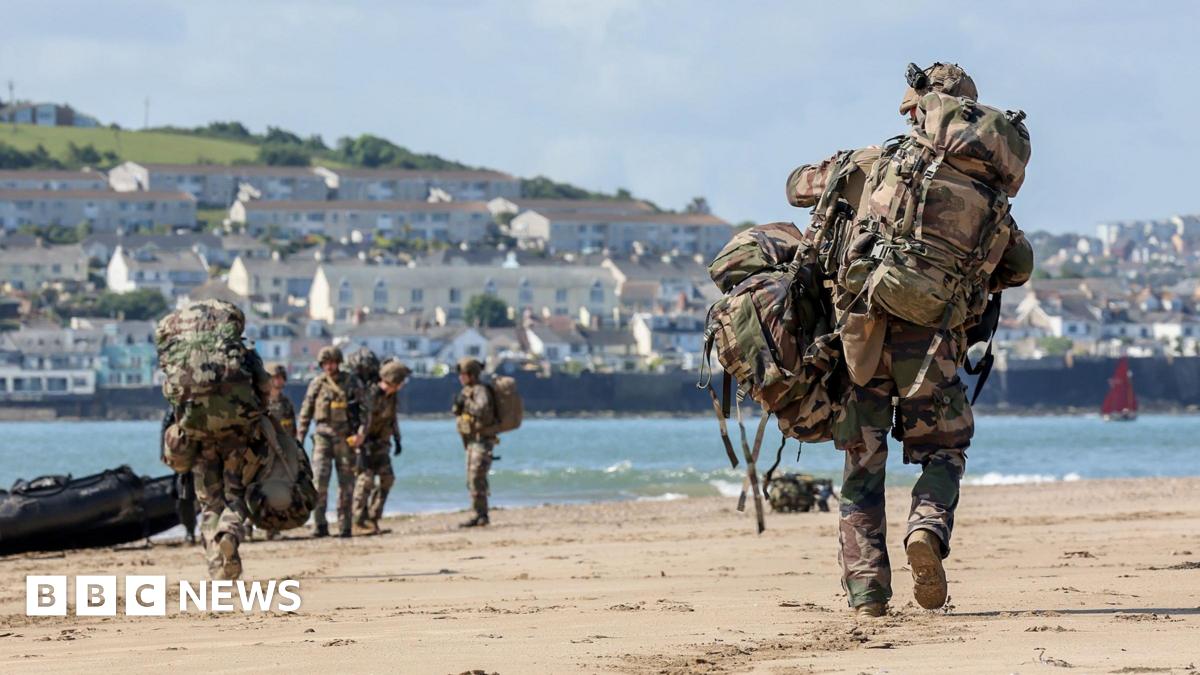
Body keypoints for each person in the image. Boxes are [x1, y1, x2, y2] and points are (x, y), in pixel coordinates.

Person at [785, 62, 1034, 618]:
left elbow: (797, 187)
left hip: (861, 338)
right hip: (936, 346)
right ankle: (926, 529)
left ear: (914, 109)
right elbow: (1019, 267)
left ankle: (869, 593)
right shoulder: (985, 190)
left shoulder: (875, 163)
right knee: (945, 451)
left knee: (862, 469)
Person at [156, 299, 270, 580]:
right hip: (238, 432)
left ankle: (215, 565)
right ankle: (229, 531)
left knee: (209, 502)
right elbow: (264, 386)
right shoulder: (241, 352)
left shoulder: (181, 354)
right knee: (236, 493)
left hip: (198, 434)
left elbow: (170, 393)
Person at [296, 346, 369, 538]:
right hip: (322, 439)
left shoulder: (351, 382)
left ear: (338, 362)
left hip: (346, 439)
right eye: (325, 363)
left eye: (332, 362)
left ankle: (345, 526)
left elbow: (364, 411)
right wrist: (299, 440)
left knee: (347, 485)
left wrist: (361, 433)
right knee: (319, 483)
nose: (329, 367)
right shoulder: (317, 384)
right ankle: (320, 524)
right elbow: (305, 413)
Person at [352, 359, 411, 534]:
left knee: (387, 478)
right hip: (365, 444)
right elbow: (365, 419)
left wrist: (398, 439)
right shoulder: (371, 395)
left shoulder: (391, 397)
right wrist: (360, 440)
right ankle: (358, 520)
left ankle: (373, 518)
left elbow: (392, 419)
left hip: (382, 444)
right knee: (365, 481)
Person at [452, 357, 497, 528]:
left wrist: (467, 403)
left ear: (471, 375)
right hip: (471, 441)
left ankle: (480, 514)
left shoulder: (480, 390)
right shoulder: (467, 391)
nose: (460, 378)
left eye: (463, 374)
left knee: (477, 477)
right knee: (472, 479)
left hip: (482, 441)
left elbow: (483, 409)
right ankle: (479, 514)